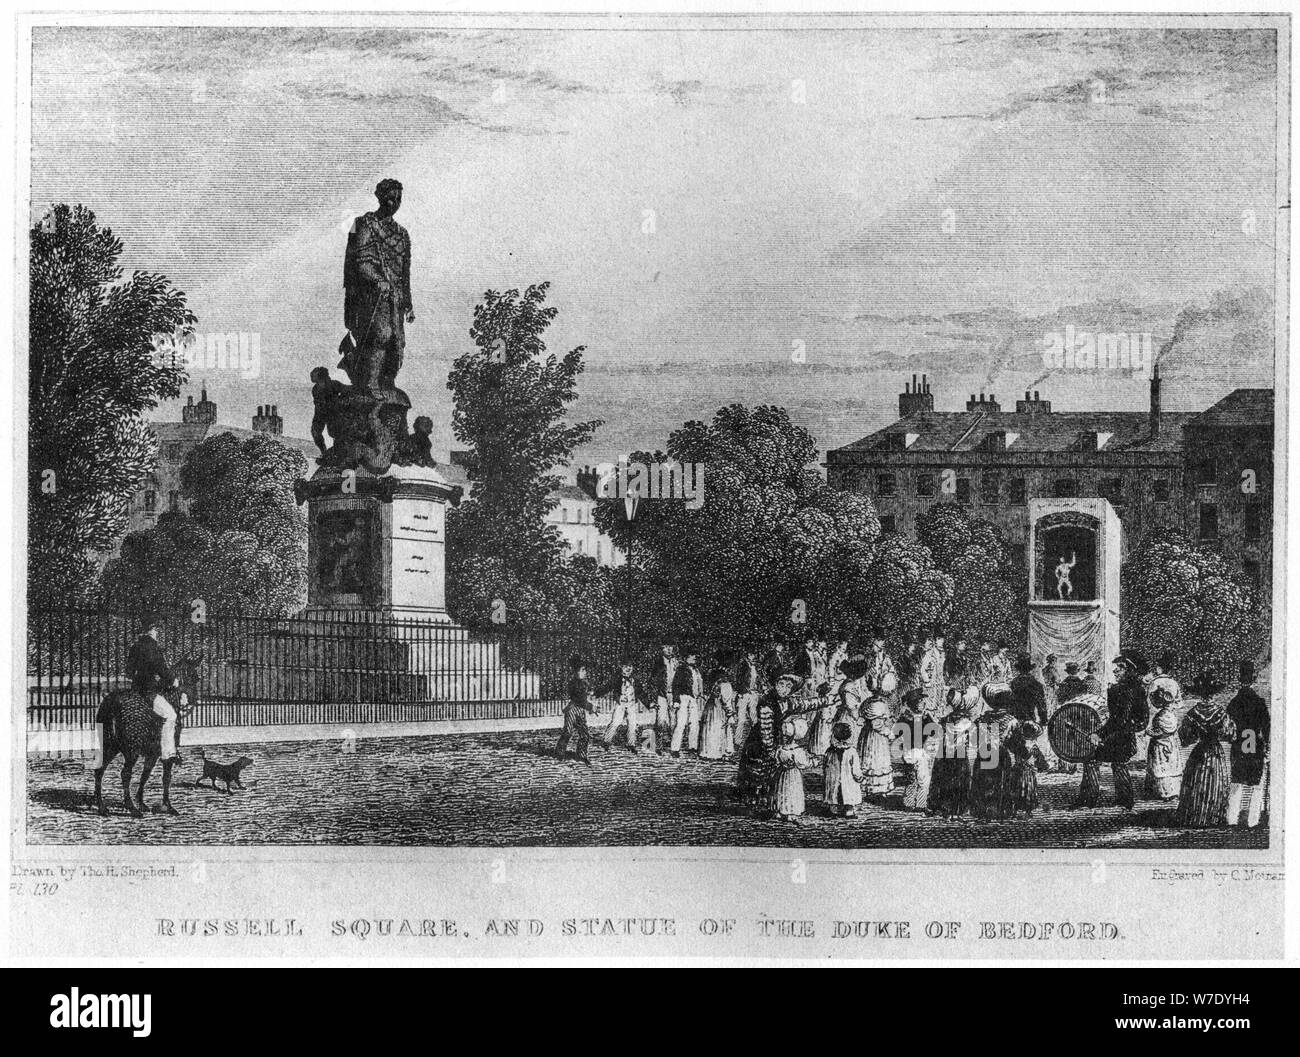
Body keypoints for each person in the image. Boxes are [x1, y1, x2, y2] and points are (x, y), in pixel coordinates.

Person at [342, 178, 414, 392]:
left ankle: (387, 382)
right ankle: (370, 383)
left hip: (395, 298)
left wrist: (408, 302)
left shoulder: (402, 234)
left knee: (397, 342)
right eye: (390, 199)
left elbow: (404, 272)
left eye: (398, 199)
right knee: (380, 335)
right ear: (380, 198)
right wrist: (378, 280)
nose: (395, 203)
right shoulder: (363, 224)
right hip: (370, 296)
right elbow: (360, 260)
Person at [1073, 654, 1144, 810]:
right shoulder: (1139, 688)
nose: (1116, 671)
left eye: (1120, 668)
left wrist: (1099, 734)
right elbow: (1142, 719)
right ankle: (1124, 801)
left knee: (1091, 760)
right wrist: (1132, 727)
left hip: (1116, 737)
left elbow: (1118, 719)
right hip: (1126, 737)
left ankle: (1088, 800)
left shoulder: (1120, 690)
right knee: (1119, 765)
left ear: (1129, 670)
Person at [1174, 672, 1235, 828]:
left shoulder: (1193, 713)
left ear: (1199, 694)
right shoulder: (1221, 713)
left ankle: (1196, 817)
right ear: (1213, 694)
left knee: (1196, 781)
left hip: (1200, 752)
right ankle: (1213, 817)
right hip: (1215, 752)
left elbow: (1186, 737)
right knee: (1216, 783)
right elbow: (1231, 734)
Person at [738, 673, 802, 814]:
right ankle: (753, 802)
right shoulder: (767, 702)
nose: (784, 689)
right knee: (758, 771)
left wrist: (828, 700)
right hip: (760, 741)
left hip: (775, 739)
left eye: (788, 686)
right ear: (775, 685)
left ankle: (768, 801)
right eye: (781, 685)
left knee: (771, 772)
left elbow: (806, 704)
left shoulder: (788, 701)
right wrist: (770, 748)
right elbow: (766, 729)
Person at [126, 617, 182, 762]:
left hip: (135, 690)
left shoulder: (135, 646)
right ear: (152, 630)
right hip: (148, 691)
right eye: (157, 630)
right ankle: (168, 753)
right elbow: (161, 668)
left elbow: (129, 672)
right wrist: (173, 680)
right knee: (171, 716)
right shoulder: (153, 647)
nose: (157, 633)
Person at [1226, 661, 1270, 829]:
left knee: (1236, 781)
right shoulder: (1259, 702)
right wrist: (1267, 746)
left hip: (1239, 745)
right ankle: (1253, 821)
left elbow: (1228, 728)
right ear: (1254, 678)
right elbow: (1266, 728)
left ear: (1239, 679)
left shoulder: (1233, 702)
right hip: (1255, 745)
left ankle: (1232, 819)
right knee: (1256, 784)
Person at [970, 689, 1018, 820]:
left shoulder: (981, 719)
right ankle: (1000, 811)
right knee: (1001, 781)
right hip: (1001, 753)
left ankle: (983, 812)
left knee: (984, 782)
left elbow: (973, 739)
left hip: (984, 752)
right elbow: (1015, 742)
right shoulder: (1012, 721)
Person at [928, 689, 974, 817]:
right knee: (958, 780)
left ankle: (943, 808)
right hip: (958, 754)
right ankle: (957, 810)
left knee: (945, 779)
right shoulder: (966, 720)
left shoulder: (947, 719)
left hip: (945, 752)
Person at [599, 658, 651, 752]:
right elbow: (607, 687)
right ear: (621, 668)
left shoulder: (635, 680)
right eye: (625, 666)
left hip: (631, 704)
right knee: (615, 722)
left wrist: (649, 704)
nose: (628, 668)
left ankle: (631, 744)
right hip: (620, 704)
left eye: (630, 666)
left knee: (632, 724)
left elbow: (641, 693)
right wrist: (596, 693)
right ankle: (606, 741)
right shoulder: (617, 679)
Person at [1143, 680, 1183, 801]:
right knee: (1170, 767)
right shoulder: (1171, 715)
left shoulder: (1161, 716)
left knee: (1161, 768)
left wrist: (1149, 732)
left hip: (1160, 745)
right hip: (1170, 744)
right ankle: (1173, 791)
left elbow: (1160, 732)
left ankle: (1163, 793)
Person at [555, 656, 594, 764]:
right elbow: (578, 699)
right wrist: (591, 707)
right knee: (567, 732)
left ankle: (581, 755)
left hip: (580, 711)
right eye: (582, 670)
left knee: (584, 734)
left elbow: (584, 696)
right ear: (575, 672)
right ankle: (559, 752)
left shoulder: (584, 682)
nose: (585, 672)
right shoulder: (573, 683)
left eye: (585, 670)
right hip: (572, 710)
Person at [773, 718, 813, 822]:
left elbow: (776, 761)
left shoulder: (781, 749)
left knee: (782, 791)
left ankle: (779, 811)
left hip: (782, 774)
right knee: (792, 792)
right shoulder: (798, 751)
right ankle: (790, 812)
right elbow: (803, 764)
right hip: (794, 775)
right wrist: (813, 762)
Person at [856, 693, 894, 800]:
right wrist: (888, 733)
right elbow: (876, 724)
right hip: (876, 737)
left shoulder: (868, 702)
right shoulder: (877, 704)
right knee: (875, 762)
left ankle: (875, 789)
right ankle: (874, 790)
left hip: (868, 735)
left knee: (874, 762)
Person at [823, 722, 864, 817]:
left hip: (833, 778)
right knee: (848, 793)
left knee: (834, 793)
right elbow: (856, 769)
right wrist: (859, 777)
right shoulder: (852, 751)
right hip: (848, 780)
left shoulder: (829, 751)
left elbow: (825, 766)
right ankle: (848, 811)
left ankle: (833, 809)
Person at [698, 663, 737, 760]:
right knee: (719, 729)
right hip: (719, 710)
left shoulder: (716, 685)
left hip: (710, 709)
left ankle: (708, 752)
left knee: (711, 729)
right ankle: (718, 753)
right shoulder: (726, 685)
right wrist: (730, 713)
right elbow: (726, 702)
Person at [670, 648, 704, 756]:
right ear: (686, 658)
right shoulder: (681, 669)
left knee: (694, 723)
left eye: (695, 656)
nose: (694, 657)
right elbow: (675, 685)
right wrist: (676, 700)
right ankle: (675, 749)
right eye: (691, 655)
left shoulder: (696, 670)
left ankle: (692, 747)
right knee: (681, 723)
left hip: (693, 699)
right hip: (683, 698)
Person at [1006, 720, 1042, 817]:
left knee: (1016, 789)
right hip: (1028, 771)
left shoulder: (1018, 743)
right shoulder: (1033, 746)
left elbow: (1010, 747)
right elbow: (1039, 760)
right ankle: (1027, 811)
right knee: (1028, 790)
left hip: (1017, 769)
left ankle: (1014, 811)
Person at [733, 646, 763, 752]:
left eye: (754, 655)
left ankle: (755, 741)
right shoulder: (742, 665)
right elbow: (738, 680)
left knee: (754, 719)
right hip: (744, 694)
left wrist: (758, 690)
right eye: (751, 654)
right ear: (747, 655)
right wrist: (742, 691)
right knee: (741, 720)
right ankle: (737, 742)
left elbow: (758, 680)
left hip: (753, 694)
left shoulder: (755, 667)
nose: (753, 657)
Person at [650, 642, 678, 737]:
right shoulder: (658, 663)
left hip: (674, 694)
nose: (669, 649)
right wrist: (654, 697)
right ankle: (659, 743)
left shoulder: (676, 662)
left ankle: (673, 743)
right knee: (661, 720)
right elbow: (653, 681)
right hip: (661, 694)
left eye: (670, 646)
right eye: (666, 647)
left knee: (674, 720)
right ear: (661, 649)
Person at [865, 629, 898, 705]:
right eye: (877, 646)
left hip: (885, 691)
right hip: (871, 691)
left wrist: (887, 676)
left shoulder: (886, 658)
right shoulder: (868, 659)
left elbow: (892, 671)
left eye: (881, 648)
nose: (879, 649)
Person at [920, 627, 947, 717]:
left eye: (942, 639)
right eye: (939, 639)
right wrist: (927, 682)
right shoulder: (930, 654)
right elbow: (923, 670)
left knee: (941, 705)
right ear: (935, 641)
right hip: (931, 685)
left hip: (940, 683)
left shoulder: (943, 654)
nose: (942, 641)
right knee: (930, 707)